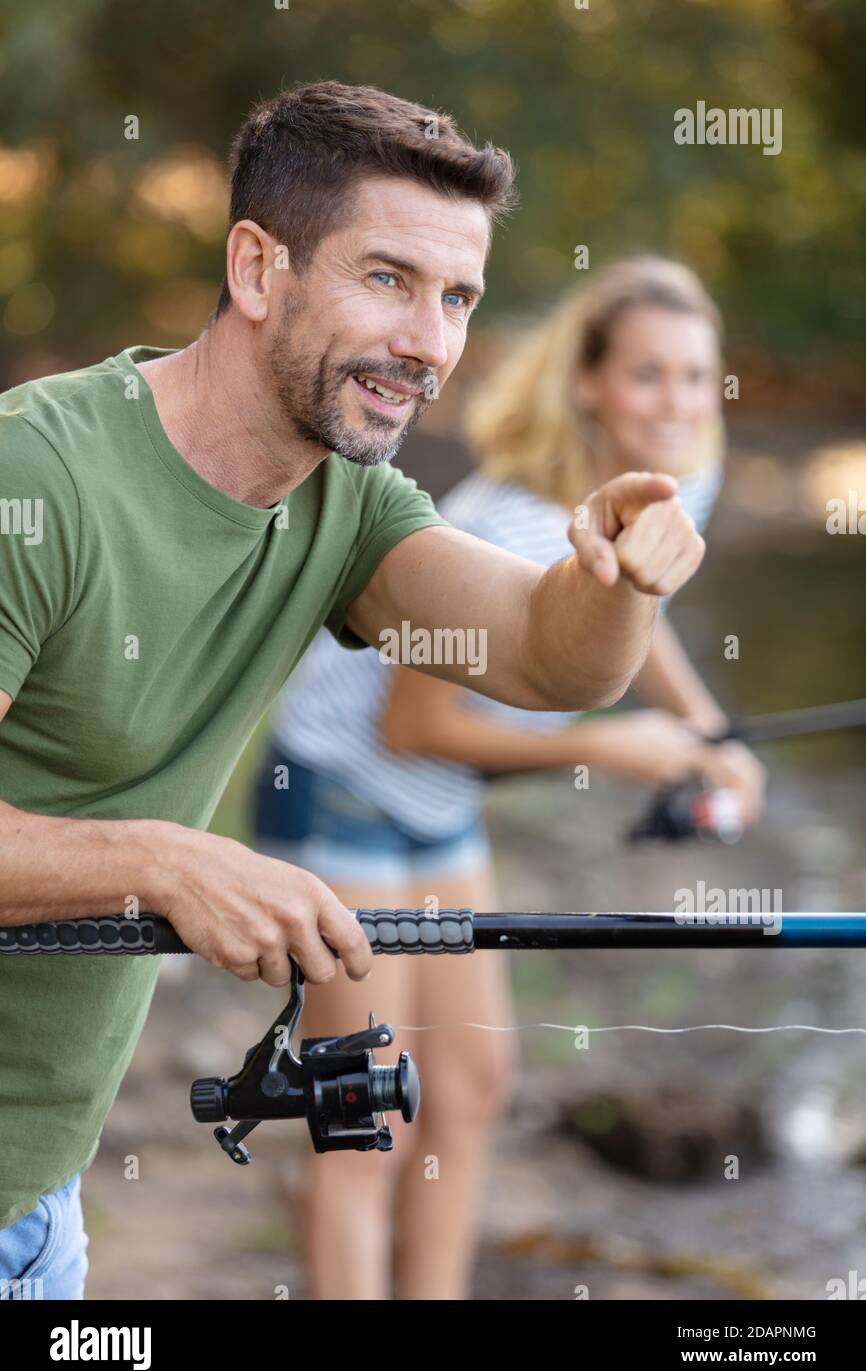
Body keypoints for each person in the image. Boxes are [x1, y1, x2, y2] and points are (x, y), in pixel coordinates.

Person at [0, 80, 705, 1299]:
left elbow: (551, 657)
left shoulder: (348, 506)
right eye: (387, 279)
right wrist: (168, 861)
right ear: (257, 268)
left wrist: (619, 578)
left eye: (458, 299)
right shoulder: (37, 477)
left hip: (35, 1193)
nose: (429, 343)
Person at [252, 256, 766, 1300]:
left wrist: (713, 734)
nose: (674, 404)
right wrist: (604, 746)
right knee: (362, 1117)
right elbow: (413, 721)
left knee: (474, 1085)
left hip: (433, 808)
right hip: (341, 786)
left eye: (692, 377)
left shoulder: (680, 482)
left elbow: (640, 614)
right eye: (646, 376)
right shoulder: (511, 524)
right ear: (587, 384)